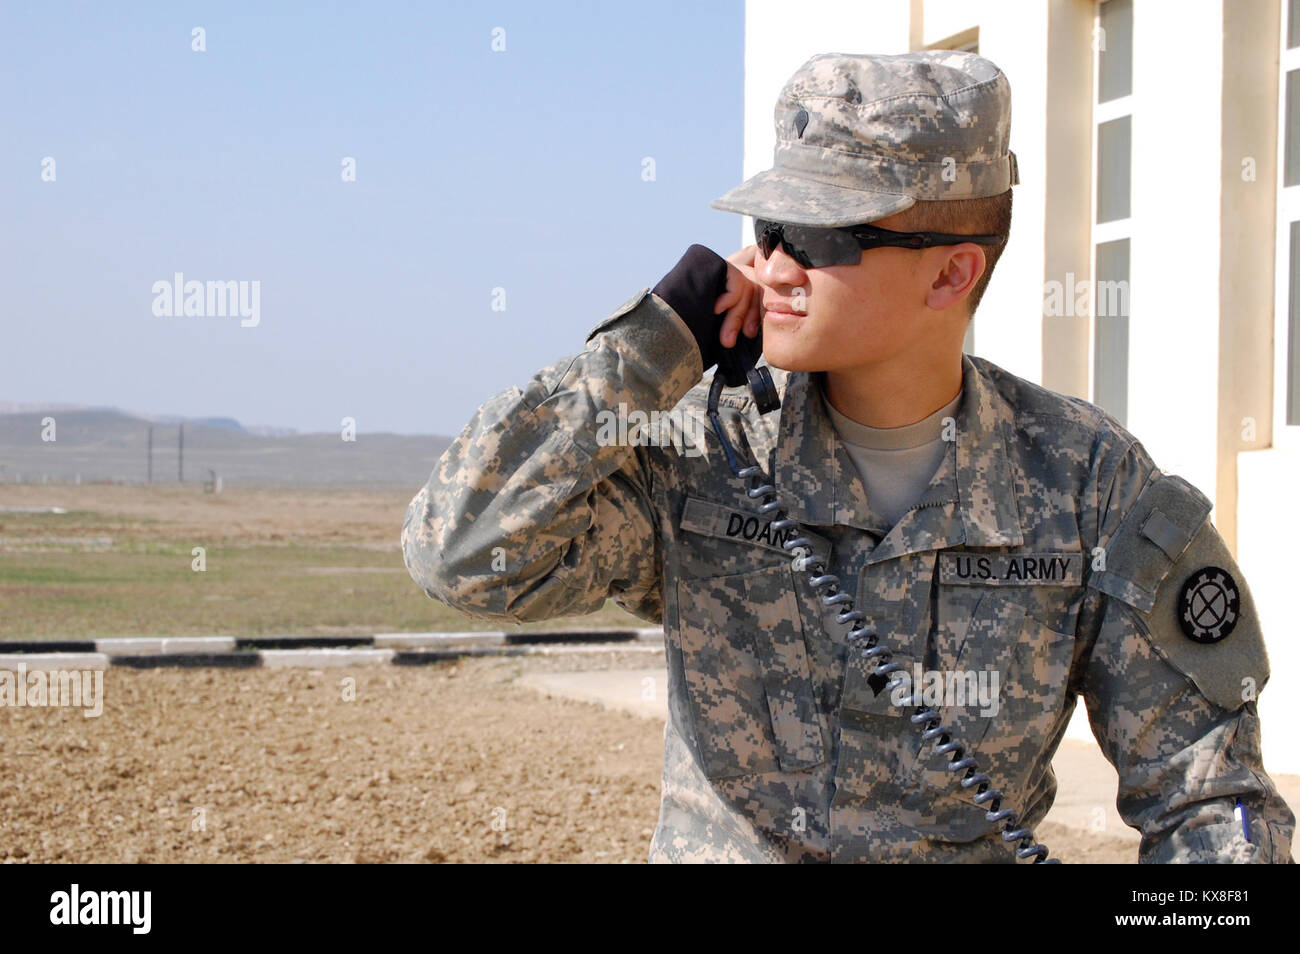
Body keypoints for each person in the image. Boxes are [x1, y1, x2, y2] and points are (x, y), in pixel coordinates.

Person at [402, 51, 1295, 863]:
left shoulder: (1088, 484)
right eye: (770, 224)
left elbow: (1211, 806)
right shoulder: (705, 451)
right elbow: (463, 556)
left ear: (950, 275)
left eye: (822, 237)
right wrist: (649, 348)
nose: (772, 264)